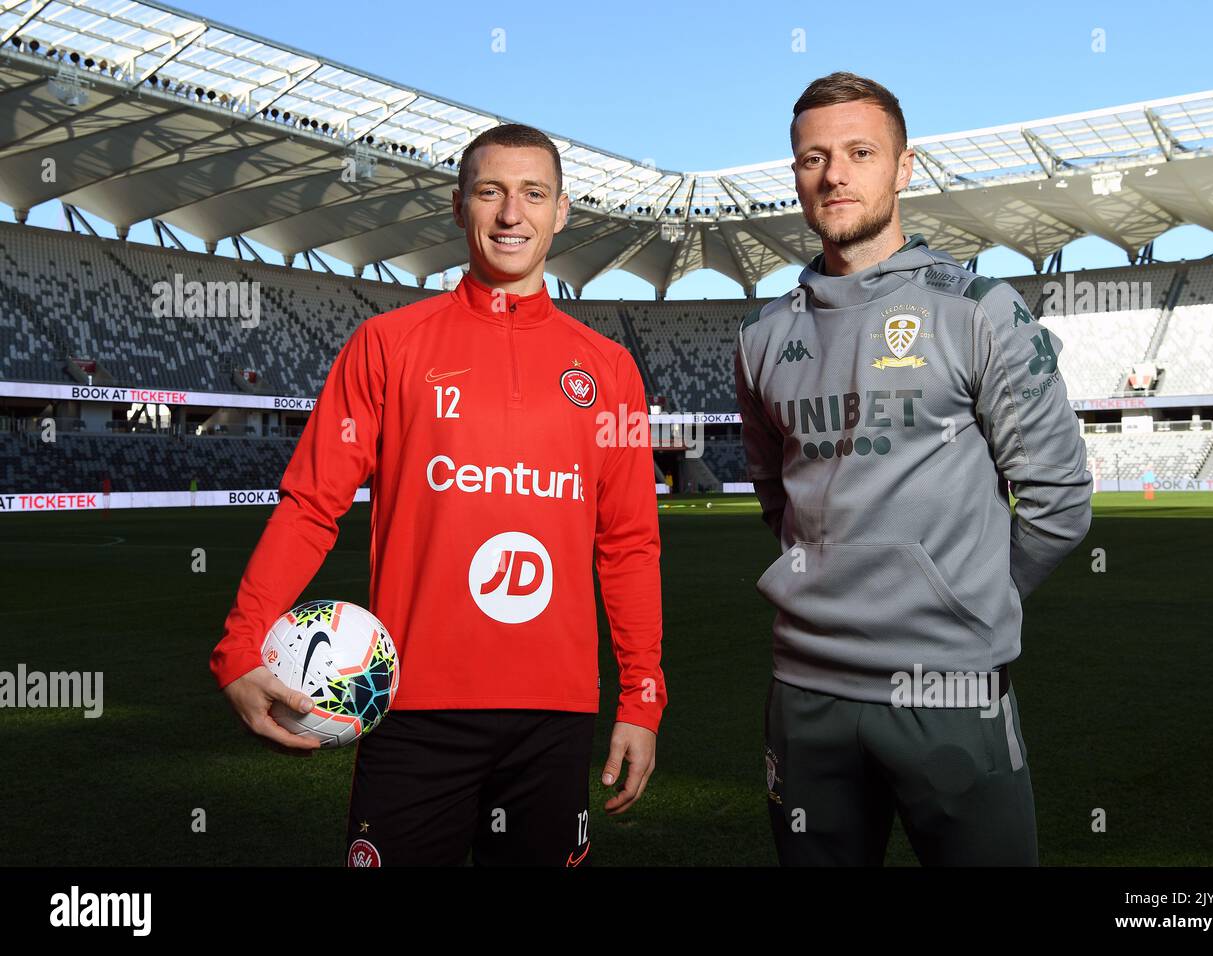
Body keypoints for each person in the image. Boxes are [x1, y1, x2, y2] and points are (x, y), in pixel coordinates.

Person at [210, 123, 665, 867]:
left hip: (556, 714)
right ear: (460, 207)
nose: (511, 214)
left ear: (561, 212)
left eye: (533, 195)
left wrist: (641, 696)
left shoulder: (608, 371)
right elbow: (310, 505)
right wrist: (239, 644)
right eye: (491, 192)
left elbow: (628, 544)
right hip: (413, 706)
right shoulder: (388, 345)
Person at [735, 72, 1091, 866]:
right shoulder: (762, 337)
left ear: (903, 167)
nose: (834, 174)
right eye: (812, 158)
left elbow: (1058, 502)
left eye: (861, 152)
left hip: (950, 690)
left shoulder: (980, 310)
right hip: (805, 693)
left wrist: (958, 602)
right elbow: (774, 495)